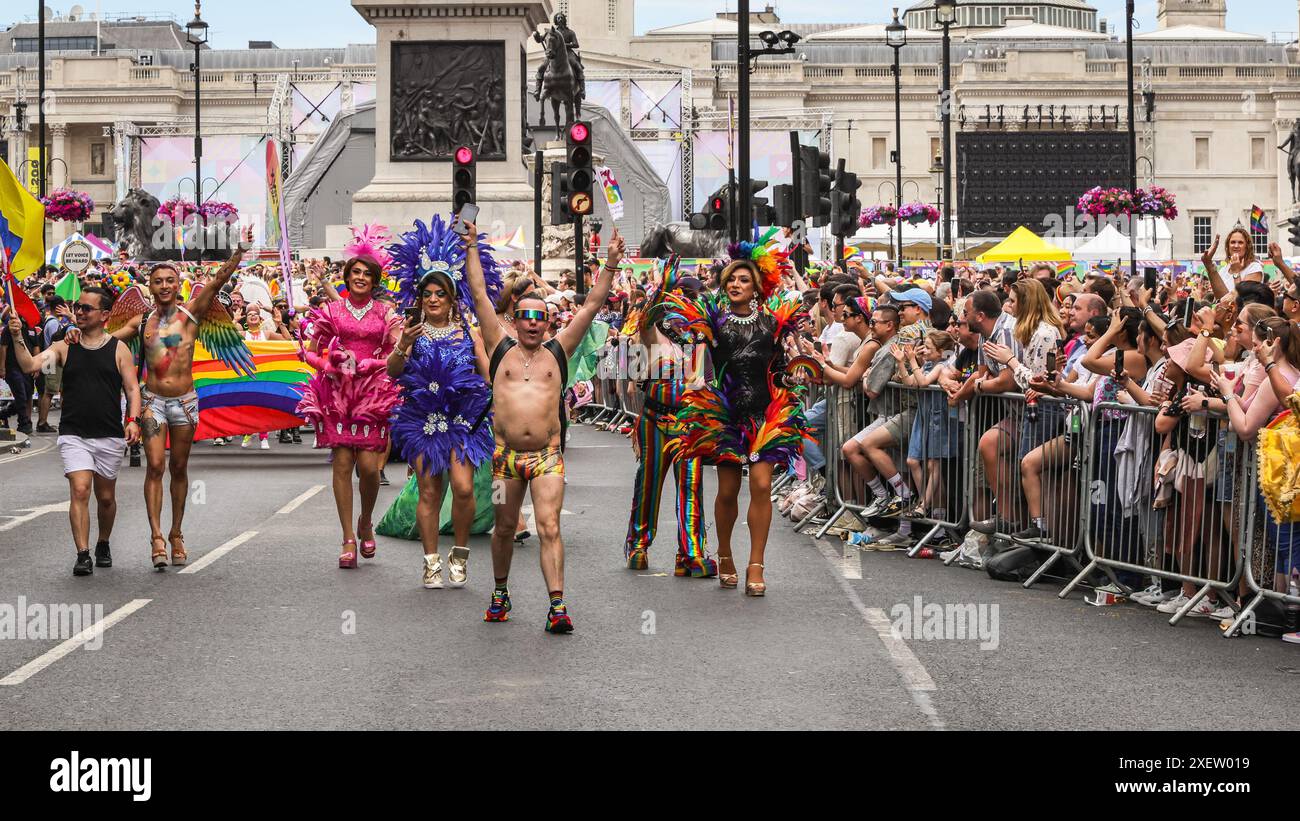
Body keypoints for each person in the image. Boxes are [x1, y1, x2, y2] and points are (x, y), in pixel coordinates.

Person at [467, 219, 625, 633]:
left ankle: (557, 605)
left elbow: (590, 306)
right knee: (503, 528)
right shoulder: (498, 349)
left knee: (549, 526)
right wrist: (470, 248)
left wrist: (608, 265)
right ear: (514, 321)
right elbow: (480, 294)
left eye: (540, 318)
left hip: (546, 459)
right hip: (505, 461)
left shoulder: (558, 352)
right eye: (526, 318)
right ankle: (500, 593)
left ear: (548, 323)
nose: (533, 324)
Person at [660, 236, 808, 595]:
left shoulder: (774, 324)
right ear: (724, 286)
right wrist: (695, 394)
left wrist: (794, 376)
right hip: (726, 416)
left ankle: (755, 564)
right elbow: (695, 365)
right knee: (728, 489)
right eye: (730, 280)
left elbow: (781, 367)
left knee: (759, 485)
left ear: (756, 286)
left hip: (764, 415)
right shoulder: (713, 322)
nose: (736, 285)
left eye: (743, 280)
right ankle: (724, 553)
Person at [105, 229, 253, 568]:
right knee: (155, 466)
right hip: (153, 403)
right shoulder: (141, 321)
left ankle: (176, 533)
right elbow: (107, 341)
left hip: (185, 403)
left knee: (179, 467)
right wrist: (76, 334)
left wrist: (239, 251)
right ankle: (156, 536)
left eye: (170, 280)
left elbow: (217, 281)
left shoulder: (192, 314)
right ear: (151, 286)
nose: (165, 286)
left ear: (178, 284)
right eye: (158, 281)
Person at [384, 215, 500, 589]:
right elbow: (392, 371)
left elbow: (487, 374)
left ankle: (460, 553)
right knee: (431, 490)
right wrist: (403, 343)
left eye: (441, 293)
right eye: (427, 293)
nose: (433, 299)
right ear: (420, 297)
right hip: (424, 419)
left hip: (465, 419)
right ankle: (431, 561)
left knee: (464, 488)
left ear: (452, 297)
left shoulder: (468, 329)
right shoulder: (412, 331)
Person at [5, 289, 142, 576]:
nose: (79, 312)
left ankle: (103, 542)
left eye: (87, 309)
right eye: (77, 307)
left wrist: (133, 420)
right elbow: (30, 364)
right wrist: (17, 336)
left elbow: (131, 389)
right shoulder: (64, 346)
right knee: (80, 489)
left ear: (104, 315)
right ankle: (83, 554)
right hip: (74, 433)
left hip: (109, 434)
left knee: (105, 498)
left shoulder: (119, 349)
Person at [297, 228, 402, 568]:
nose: (360, 277)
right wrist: (329, 363)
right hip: (338, 393)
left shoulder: (385, 313)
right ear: (347, 276)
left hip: (373, 393)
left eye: (366, 274)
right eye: (355, 272)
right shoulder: (332, 311)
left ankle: (366, 520)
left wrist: (377, 363)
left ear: (374, 281)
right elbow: (312, 352)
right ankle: (347, 537)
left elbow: (399, 352)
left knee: (369, 468)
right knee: (343, 463)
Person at [622, 260, 716, 578]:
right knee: (648, 483)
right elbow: (644, 322)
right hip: (654, 422)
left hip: (688, 424)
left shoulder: (698, 342)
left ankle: (690, 554)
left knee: (690, 486)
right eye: (687, 302)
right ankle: (638, 545)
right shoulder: (652, 338)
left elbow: (700, 382)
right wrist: (659, 292)